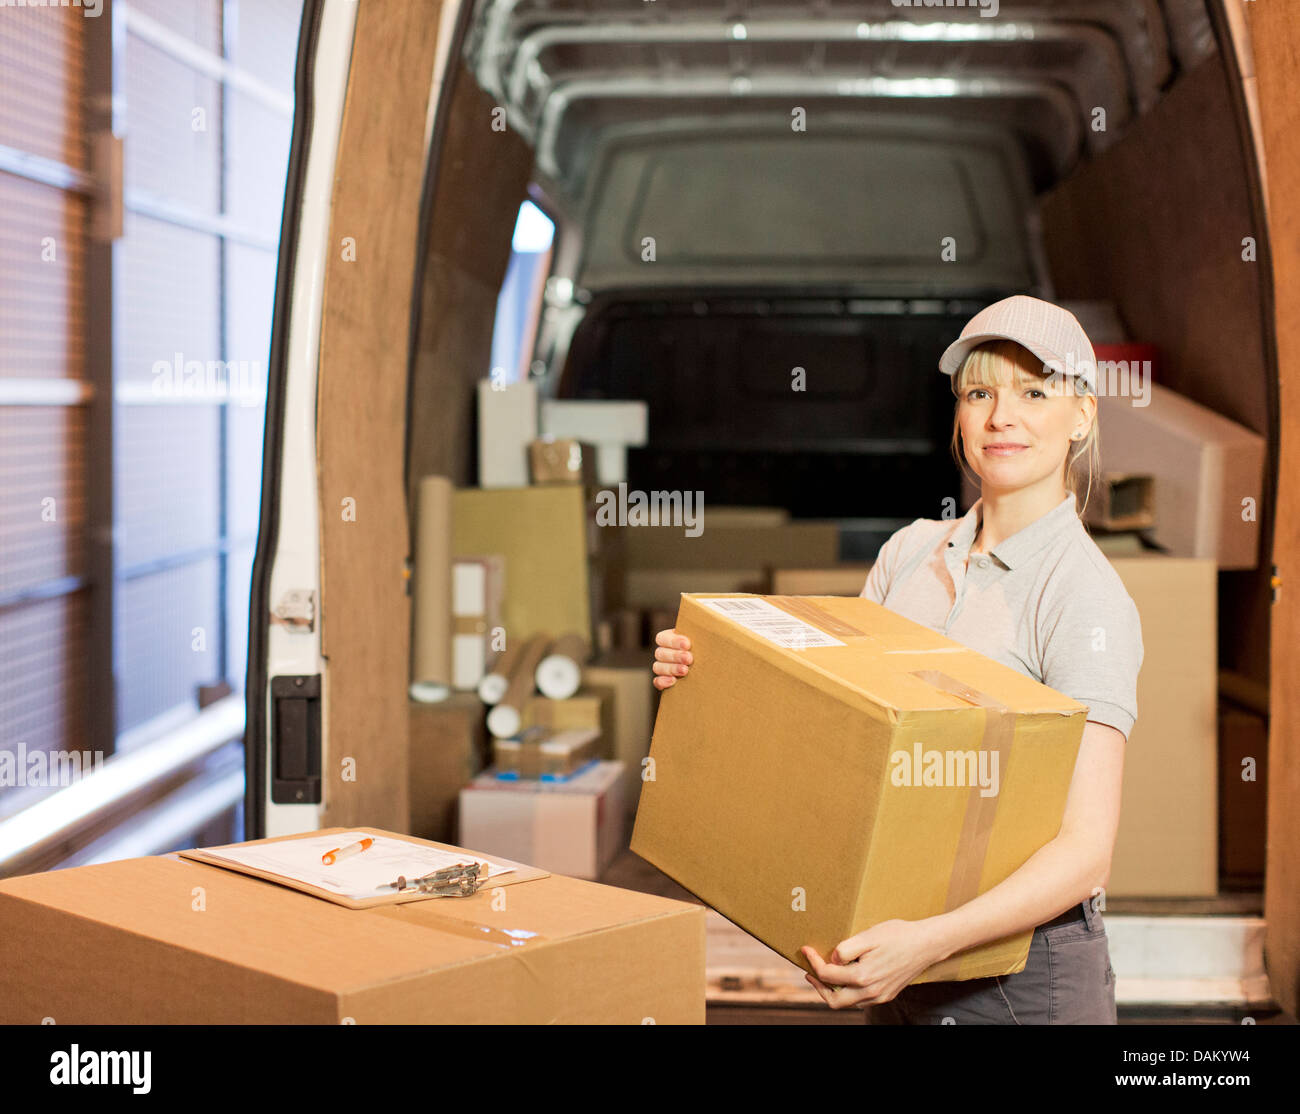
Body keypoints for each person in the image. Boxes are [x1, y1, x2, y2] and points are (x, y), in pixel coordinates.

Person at [651, 295, 1144, 1025]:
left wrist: (929, 944)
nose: (1001, 417)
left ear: (1082, 415)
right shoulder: (909, 553)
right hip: (898, 951)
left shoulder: (1083, 596)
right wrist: (715, 675)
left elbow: (1084, 852)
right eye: (980, 393)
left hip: (1021, 977)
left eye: (1034, 393)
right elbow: (840, 729)